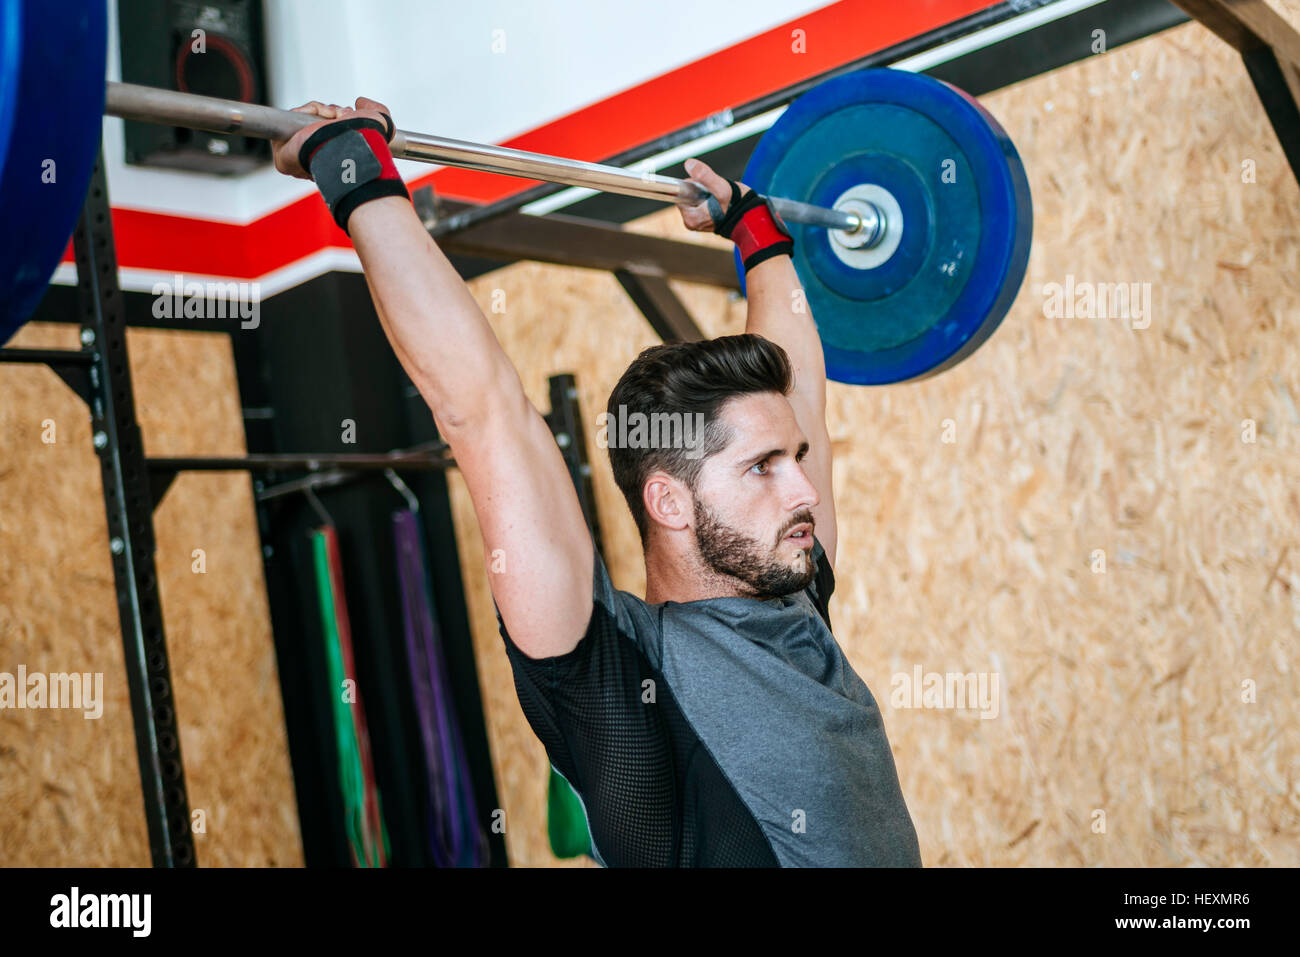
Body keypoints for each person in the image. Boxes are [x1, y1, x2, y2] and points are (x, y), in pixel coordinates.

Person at [270, 97, 922, 867]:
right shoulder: (616, 679)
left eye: (795, 457)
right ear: (668, 500)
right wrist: (353, 170)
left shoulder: (794, 593)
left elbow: (799, 381)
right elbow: (484, 414)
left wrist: (757, 231)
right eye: (762, 468)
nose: (805, 489)